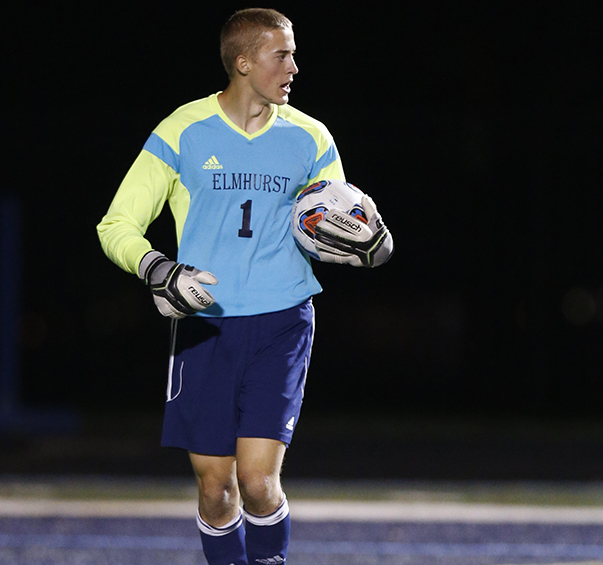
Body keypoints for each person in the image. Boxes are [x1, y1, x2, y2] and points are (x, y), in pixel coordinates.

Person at [96, 8, 392, 564]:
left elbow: (334, 222)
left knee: (257, 482)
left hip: (283, 319)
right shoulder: (182, 129)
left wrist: (371, 243)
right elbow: (116, 225)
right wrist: (160, 270)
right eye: (282, 55)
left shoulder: (311, 137)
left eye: (294, 54)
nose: (294, 67)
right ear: (243, 61)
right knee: (216, 489)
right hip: (205, 323)